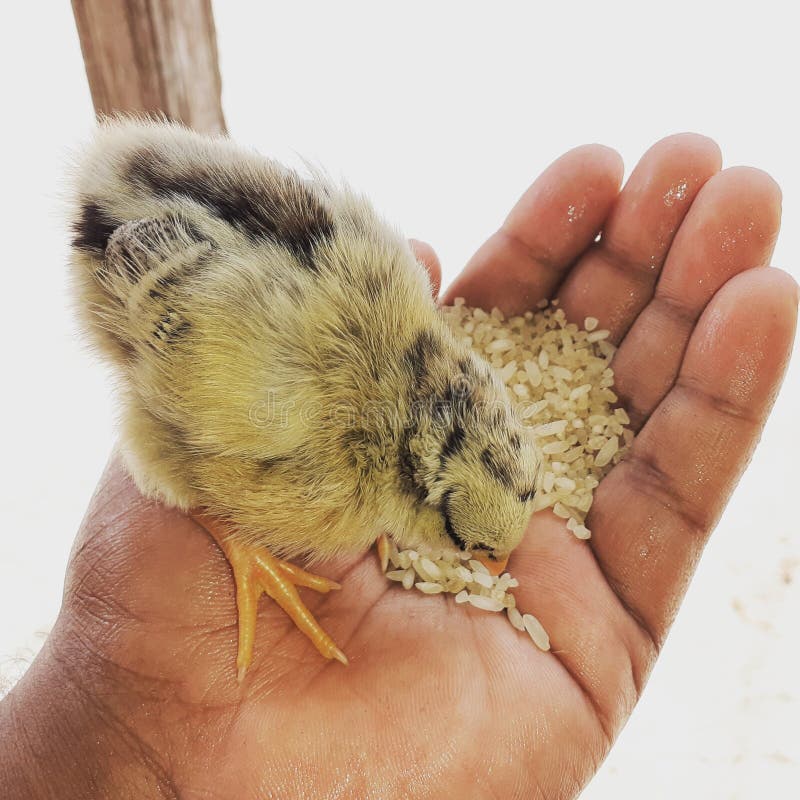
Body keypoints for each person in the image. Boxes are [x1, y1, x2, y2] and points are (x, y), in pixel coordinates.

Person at [0, 134, 795, 799]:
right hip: (126, 249)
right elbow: (128, 258)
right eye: (470, 540)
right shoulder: (302, 443)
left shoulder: (396, 286)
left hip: (196, 223)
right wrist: (126, 730)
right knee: (210, 439)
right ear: (423, 493)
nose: (488, 564)